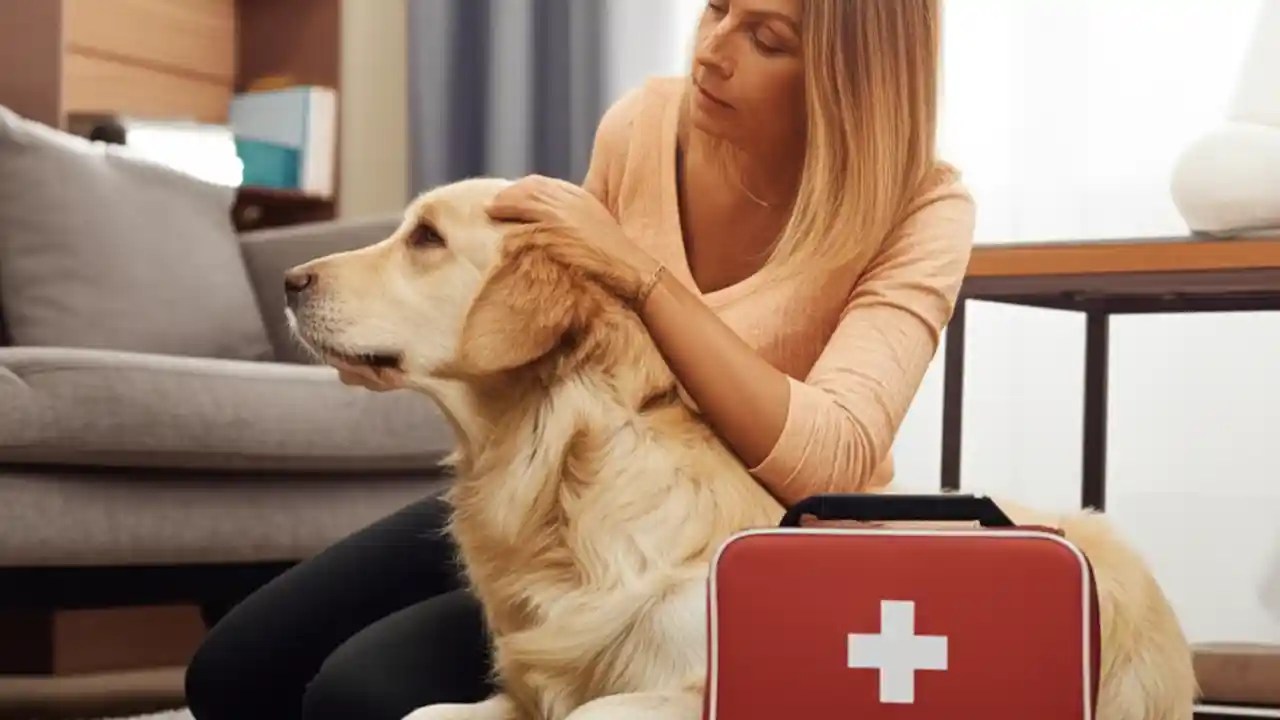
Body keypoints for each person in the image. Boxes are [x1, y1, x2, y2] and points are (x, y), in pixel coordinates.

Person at [183, 1, 974, 719]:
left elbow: (833, 460)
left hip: (725, 551)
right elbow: (557, 338)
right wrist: (418, 351)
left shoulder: (922, 208)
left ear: (847, 75)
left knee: (354, 699)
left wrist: (638, 273)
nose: (713, 51)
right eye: (718, 9)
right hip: (553, 502)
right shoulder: (644, 126)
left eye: (765, 38)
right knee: (233, 673)